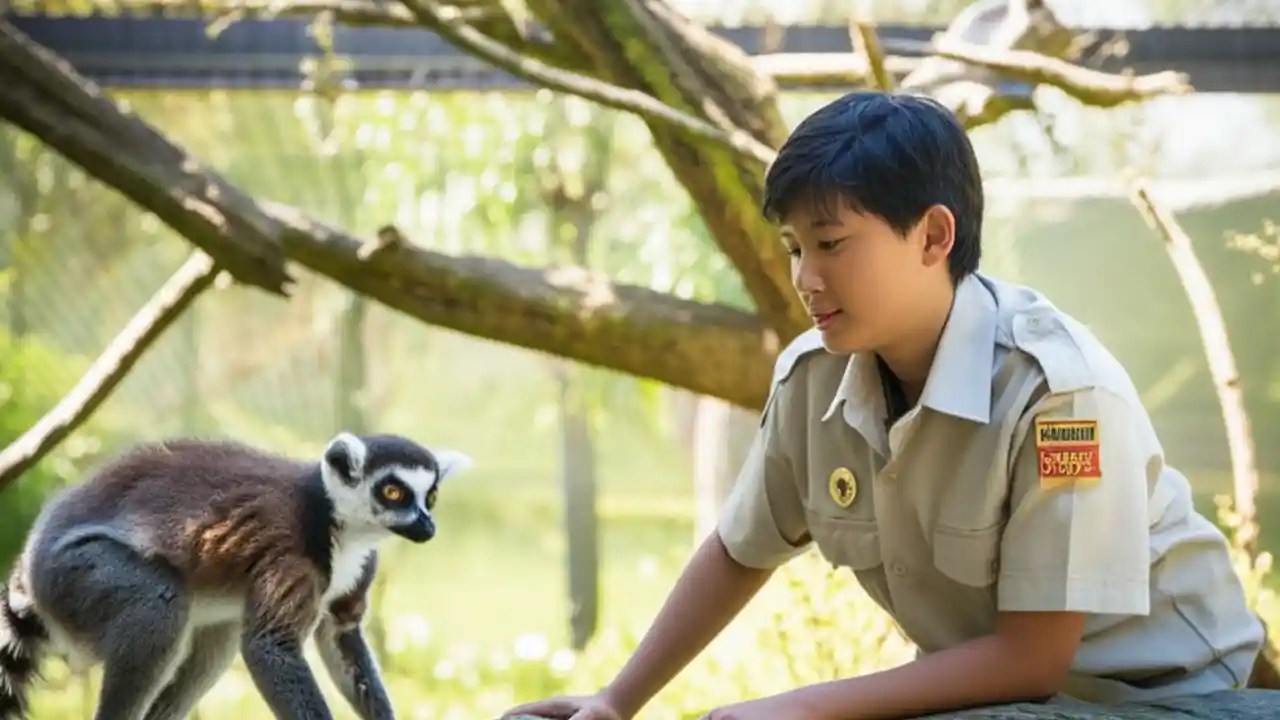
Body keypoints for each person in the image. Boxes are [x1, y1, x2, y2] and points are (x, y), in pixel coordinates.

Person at [500, 91, 1266, 720]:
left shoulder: (1059, 395)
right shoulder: (814, 377)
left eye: (832, 243)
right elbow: (741, 548)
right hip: (1012, 700)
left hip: (1165, 695)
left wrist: (793, 707)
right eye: (795, 247)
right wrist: (613, 703)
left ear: (934, 235)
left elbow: (1035, 660)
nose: (805, 277)